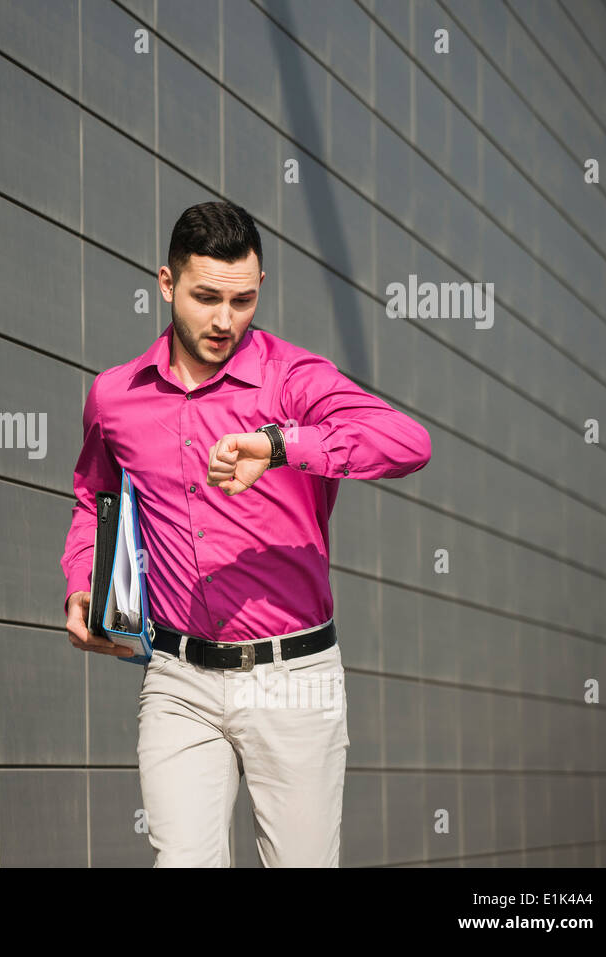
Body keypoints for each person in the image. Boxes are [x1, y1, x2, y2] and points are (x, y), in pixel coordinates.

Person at [60, 200, 432, 867]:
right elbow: (96, 494)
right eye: (206, 297)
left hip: (293, 675)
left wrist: (282, 443)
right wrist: (85, 582)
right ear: (167, 283)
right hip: (177, 679)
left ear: (260, 287)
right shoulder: (115, 396)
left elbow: (407, 442)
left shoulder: (294, 379)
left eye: (242, 299)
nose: (224, 320)